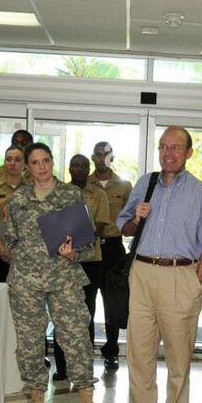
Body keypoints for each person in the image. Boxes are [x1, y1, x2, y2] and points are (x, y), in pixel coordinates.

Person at [116, 126, 202, 403]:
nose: (168, 153)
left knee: (179, 361)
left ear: (189, 153)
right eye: (164, 147)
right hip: (142, 272)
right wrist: (135, 219)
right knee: (139, 356)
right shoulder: (145, 184)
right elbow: (123, 227)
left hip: (181, 276)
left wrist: (198, 279)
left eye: (176, 148)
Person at [4, 144, 107, 403]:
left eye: (46, 160)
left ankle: (86, 401)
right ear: (27, 167)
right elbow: (9, 239)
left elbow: (87, 242)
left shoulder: (70, 195)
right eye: (35, 162)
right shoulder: (18, 199)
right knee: (29, 341)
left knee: (76, 337)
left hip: (64, 277)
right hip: (27, 281)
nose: (42, 167)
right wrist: (25, 260)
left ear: (52, 162)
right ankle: (36, 400)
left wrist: (73, 253)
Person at [52, 153, 112, 384]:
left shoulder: (99, 194)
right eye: (75, 165)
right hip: (63, 262)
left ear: (89, 169)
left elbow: (99, 227)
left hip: (90, 262)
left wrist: (74, 241)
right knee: (61, 313)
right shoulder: (60, 193)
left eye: (83, 165)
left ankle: (85, 367)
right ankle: (62, 367)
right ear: (69, 168)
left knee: (86, 314)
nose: (79, 169)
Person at [88, 141, 133, 370]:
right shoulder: (84, 185)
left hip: (113, 248)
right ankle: (85, 350)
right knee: (86, 303)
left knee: (113, 302)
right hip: (88, 248)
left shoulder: (124, 186)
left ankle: (112, 350)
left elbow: (132, 220)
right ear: (93, 157)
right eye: (98, 154)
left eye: (106, 155)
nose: (102, 158)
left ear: (112, 158)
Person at [0, 145, 25, 283]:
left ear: (24, 163)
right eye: (9, 159)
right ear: (4, 162)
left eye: (17, 159)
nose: (13, 163)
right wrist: (2, 250)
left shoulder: (31, 189)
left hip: (25, 258)